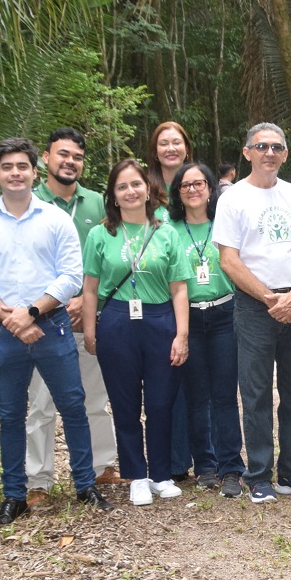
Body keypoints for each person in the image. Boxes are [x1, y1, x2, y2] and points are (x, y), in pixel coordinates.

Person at [0, 138, 114, 524]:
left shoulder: (55, 219)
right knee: (12, 415)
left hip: (52, 326)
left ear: (34, 171)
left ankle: (85, 485)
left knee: (73, 406)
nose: (16, 173)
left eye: (22, 167)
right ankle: (15, 494)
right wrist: (11, 318)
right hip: (2, 331)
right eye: (7, 167)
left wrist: (30, 313)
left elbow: (69, 276)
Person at [213, 124, 291, 504]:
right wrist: (268, 298)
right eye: (261, 147)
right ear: (247, 153)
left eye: (277, 146)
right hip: (254, 306)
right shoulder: (232, 199)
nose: (269, 153)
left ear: (285, 153)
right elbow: (229, 259)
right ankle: (258, 475)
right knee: (256, 392)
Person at [82, 159, 191, 506]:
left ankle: (160, 473)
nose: (130, 191)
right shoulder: (101, 234)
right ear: (113, 196)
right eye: (122, 187)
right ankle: (137, 475)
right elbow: (89, 289)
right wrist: (89, 332)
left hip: (160, 321)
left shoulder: (166, 232)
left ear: (148, 189)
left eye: (136, 184)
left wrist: (182, 335)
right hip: (115, 322)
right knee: (125, 403)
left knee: (161, 401)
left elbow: (179, 289)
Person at [26, 127, 119, 507]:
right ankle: (38, 481)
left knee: (95, 398)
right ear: (45, 159)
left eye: (77, 157)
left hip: (87, 319)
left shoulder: (98, 204)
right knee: (41, 404)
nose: (70, 162)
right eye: (62, 154)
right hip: (43, 321)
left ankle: (103, 466)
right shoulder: (28, 203)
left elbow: (114, 259)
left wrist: (86, 302)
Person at [168, 162, 245, 498]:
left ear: (211, 188)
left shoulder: (224, 225)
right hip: (188, 320)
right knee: (197, 398)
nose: (193, 189)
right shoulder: (169, 229)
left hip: (225, 313)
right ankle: (206, 467)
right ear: (177, 192)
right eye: (185, 185)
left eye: (199, 183)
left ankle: (231, 468)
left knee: (226, 397)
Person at [147, 120, 197, 204]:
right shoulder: (145, 189)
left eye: (176, 143)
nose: (171, 149)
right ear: (155, 151)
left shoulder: (201, 187)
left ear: (187, 148)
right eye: (164, 144)